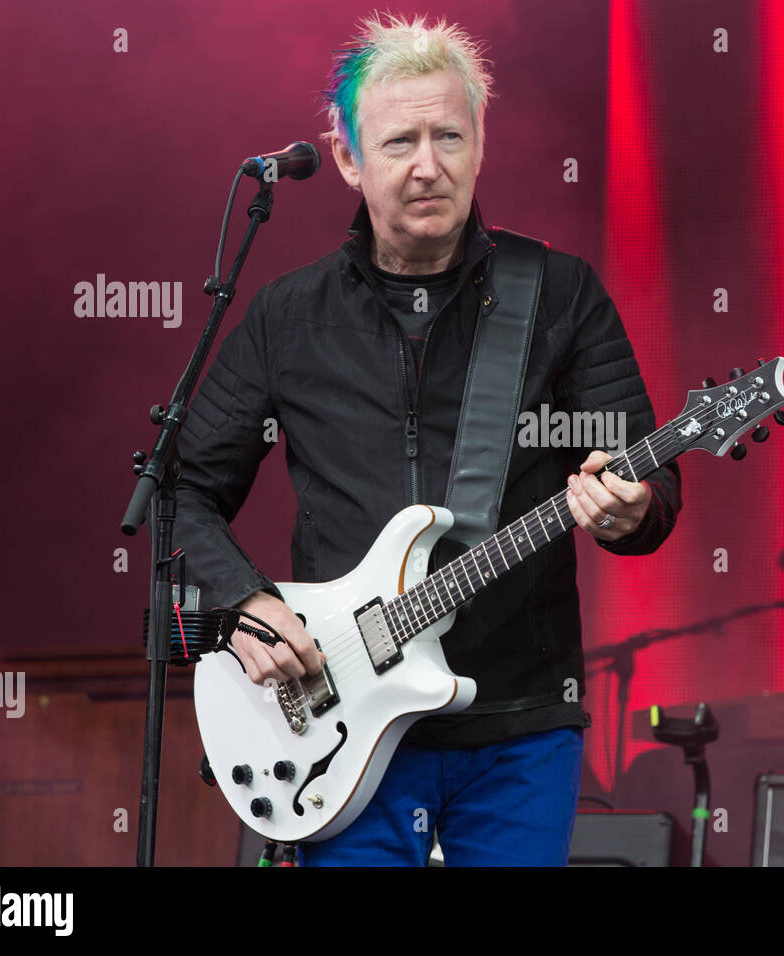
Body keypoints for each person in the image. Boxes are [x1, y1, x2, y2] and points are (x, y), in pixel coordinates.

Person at [173, 13, 681, 866]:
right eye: (399, 139)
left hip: (520, 724)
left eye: (449, 135)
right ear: (346, 158)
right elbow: (183, 490)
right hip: (338, 728)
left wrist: (630, 511)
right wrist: (247, 606)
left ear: (479, 144)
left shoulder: (558, 292)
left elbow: (651, 493)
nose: (426, 164)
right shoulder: (286, 317)